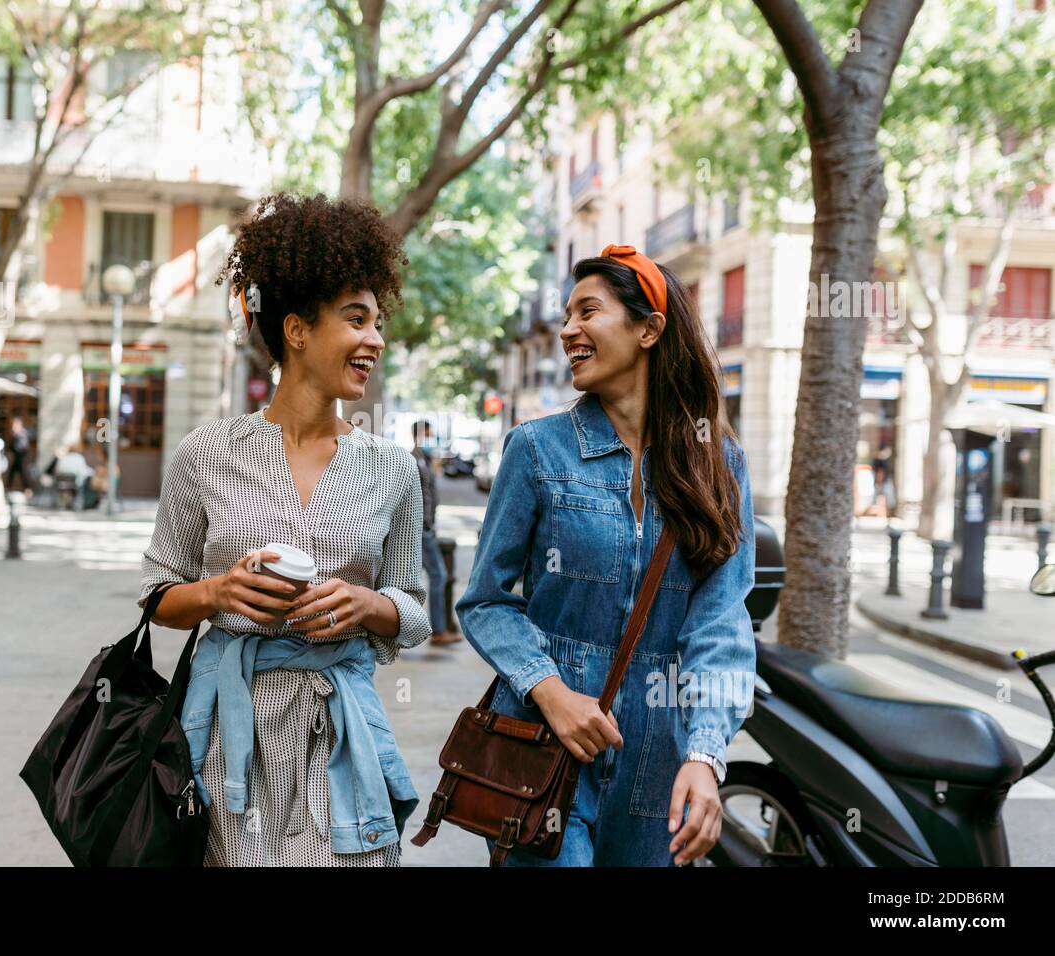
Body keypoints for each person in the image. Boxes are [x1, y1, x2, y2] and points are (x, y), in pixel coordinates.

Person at [138, 193, 431, 866]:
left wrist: (371, 606)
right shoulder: (205, 454)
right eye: (356, 320)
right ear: (297, 331)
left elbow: (413, 610)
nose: (376, 340)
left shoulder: (391, 468)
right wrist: (218, 594)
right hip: (225, 736)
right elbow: (158, 593)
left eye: (378, 322)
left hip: (342, 735)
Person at [455, 244, 756, 867]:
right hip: (546, 744)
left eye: (588, 311)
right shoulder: (537, 449)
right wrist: (550, 689)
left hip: (661, 759)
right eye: (567, 315)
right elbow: (484, 601)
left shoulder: (718, 463)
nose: (569, 330)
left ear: (649, 329)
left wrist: (705, 753)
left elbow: (721, 624)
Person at [412, 419, 462, 644]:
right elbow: (420, 496)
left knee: (433, 575)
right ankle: (439, 629)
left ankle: (438, 627)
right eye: (429, 434)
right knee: (439, 575)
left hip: (426, 527)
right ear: (420, 434)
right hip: (422, 529)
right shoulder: (415, 459)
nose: (432, 439)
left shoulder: (424, 460)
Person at [53, 443, 94, 512]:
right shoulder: (79, 458)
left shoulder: (63, 458)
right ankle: (85, 503)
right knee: (86, 482)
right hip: (74, 484)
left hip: (61, 484)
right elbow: (83, 471)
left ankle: (65, 501)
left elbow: (57, 471)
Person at [5, 417, 33, 494]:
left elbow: (23, 447)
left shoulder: (22, 434)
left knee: (23, 474)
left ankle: (28, 489)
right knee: (12, 473)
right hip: (17, 458)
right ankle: (8, 488)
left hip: (21, 458)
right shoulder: (16, 435)